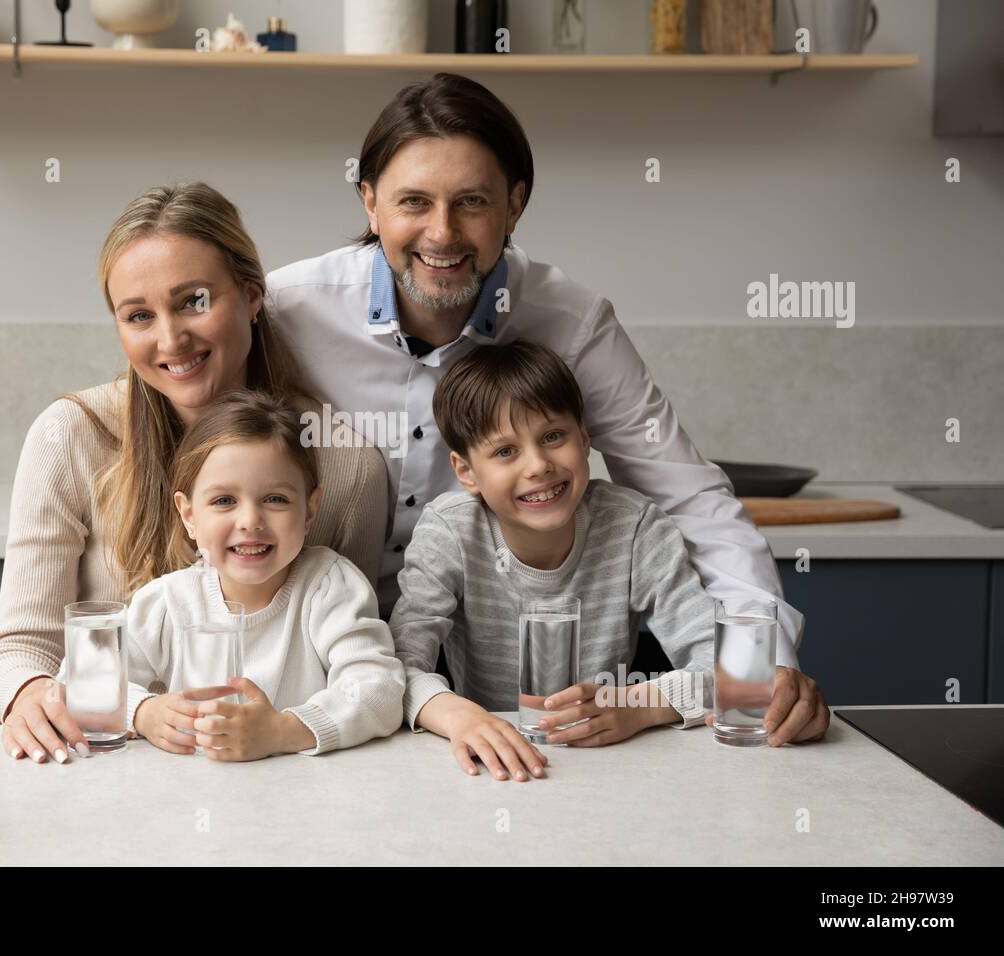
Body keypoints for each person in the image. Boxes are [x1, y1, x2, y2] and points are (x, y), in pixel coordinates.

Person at [264, 72, 827, 745]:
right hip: (324, 654)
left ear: (515, 205)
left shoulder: (571, 321)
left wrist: (763, 668)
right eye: (414, 201)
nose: (441, 234)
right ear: (370, 201)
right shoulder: (288, 309)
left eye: (471, 202)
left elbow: (687, 496)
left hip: (499, 677)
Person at [0, 183, 390, 765]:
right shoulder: (67, 436)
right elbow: (21, 648)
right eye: (139, 315)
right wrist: (26, 696)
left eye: (195, 300)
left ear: (251, 297)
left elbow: (362, 665)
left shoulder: (345, 466)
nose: (171, 339)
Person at [392, 342, 721, 782]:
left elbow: (728, 668)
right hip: (494, 771)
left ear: (584, 440)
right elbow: (395, 668)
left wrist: (638, 706)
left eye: (552, 437)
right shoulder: (450, 531)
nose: (538, 465)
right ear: (466, 472)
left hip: (610, 770)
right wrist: (459, 717)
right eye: (505, 451)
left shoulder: (633, 526)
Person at [111, 390, 404, 760]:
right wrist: (143, 713)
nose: (250, 521)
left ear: (310, 509)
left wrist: (282, 732)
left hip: (308, 798)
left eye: (275, 499)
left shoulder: (329, 587)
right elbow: (84, 680)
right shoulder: (168, 602)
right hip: (192, 797)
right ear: (188, 515)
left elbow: (379, 691)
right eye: (223, 501)